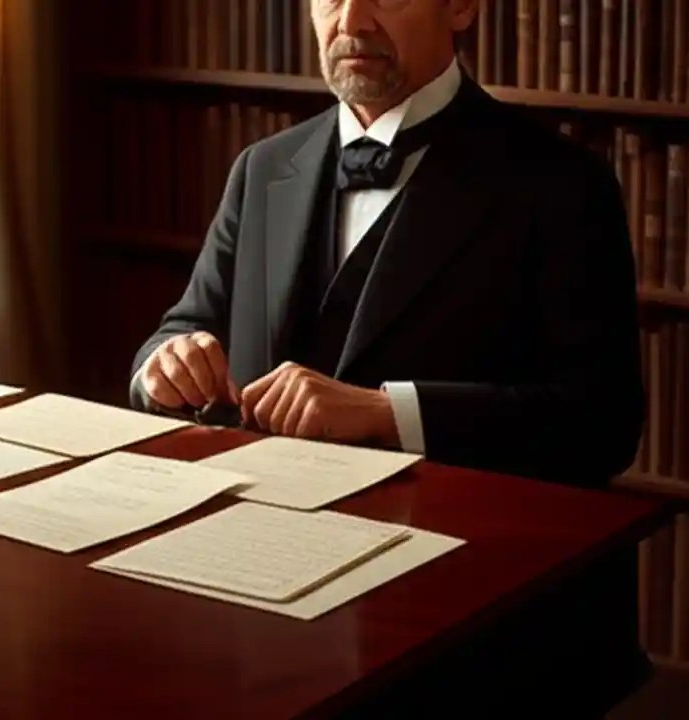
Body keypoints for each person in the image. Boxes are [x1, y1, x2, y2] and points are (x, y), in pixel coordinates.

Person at [131, 0, 648, 715]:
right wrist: (164, 364)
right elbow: (181, 328)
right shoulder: (261, 168)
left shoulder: (563, 183)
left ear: (461, 8)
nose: (352, 20)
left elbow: (603, 422)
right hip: (262, 594)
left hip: (471, 626)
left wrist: (385, 413)